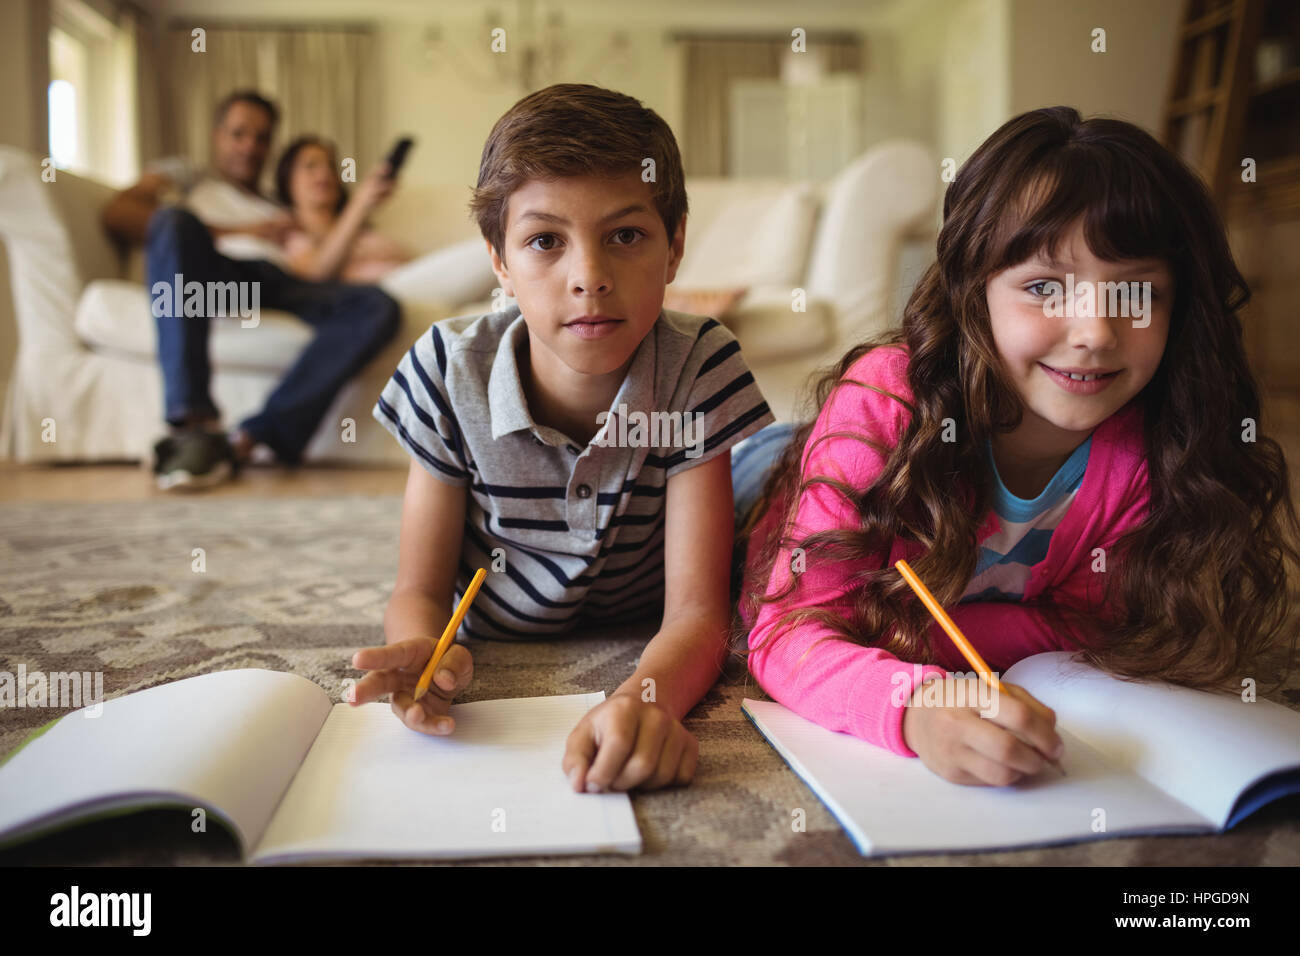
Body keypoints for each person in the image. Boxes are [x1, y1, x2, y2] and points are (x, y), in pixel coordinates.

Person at [738, 106, 1300, 787]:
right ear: (973, 295)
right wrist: (918, 702)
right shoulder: (886, 404)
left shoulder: (1154, 446)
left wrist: (904, 633)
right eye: (1042, 287)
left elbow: (1085, 625)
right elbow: (789, 632)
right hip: (768, 471)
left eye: (1136, 293)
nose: (1094, 332)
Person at [347, 84, 776, 792]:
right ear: (499, 261)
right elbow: (417, 587)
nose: (590, 278)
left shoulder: (701, 362)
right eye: (545, 241)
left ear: (674, 248)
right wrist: (420, 648)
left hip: (646, 601)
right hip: (500, 620)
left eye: (626, 236)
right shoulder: (447, 370)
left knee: (792, 461)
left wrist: (643, 699)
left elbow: (699, 617)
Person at [101, 90, 402, 490]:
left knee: (377, 306)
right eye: (238, 134)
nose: (250, 147)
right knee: (173, 221)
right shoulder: (191, 178)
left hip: (281, 284)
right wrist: (241, 231)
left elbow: (321, 259)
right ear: (216, 135)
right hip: (218, 278)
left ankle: (250, 438)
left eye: (261, 138)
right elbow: (118, 213)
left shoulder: (276, 199)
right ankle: (193, 426)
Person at [274, 135, 410, 283]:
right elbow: (316, 274)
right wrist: (359, 205)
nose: (325, 173)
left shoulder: (363, 235)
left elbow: (407, 260)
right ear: (287, 180)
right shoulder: (292, 236)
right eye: (310, 166)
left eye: (331, 166)